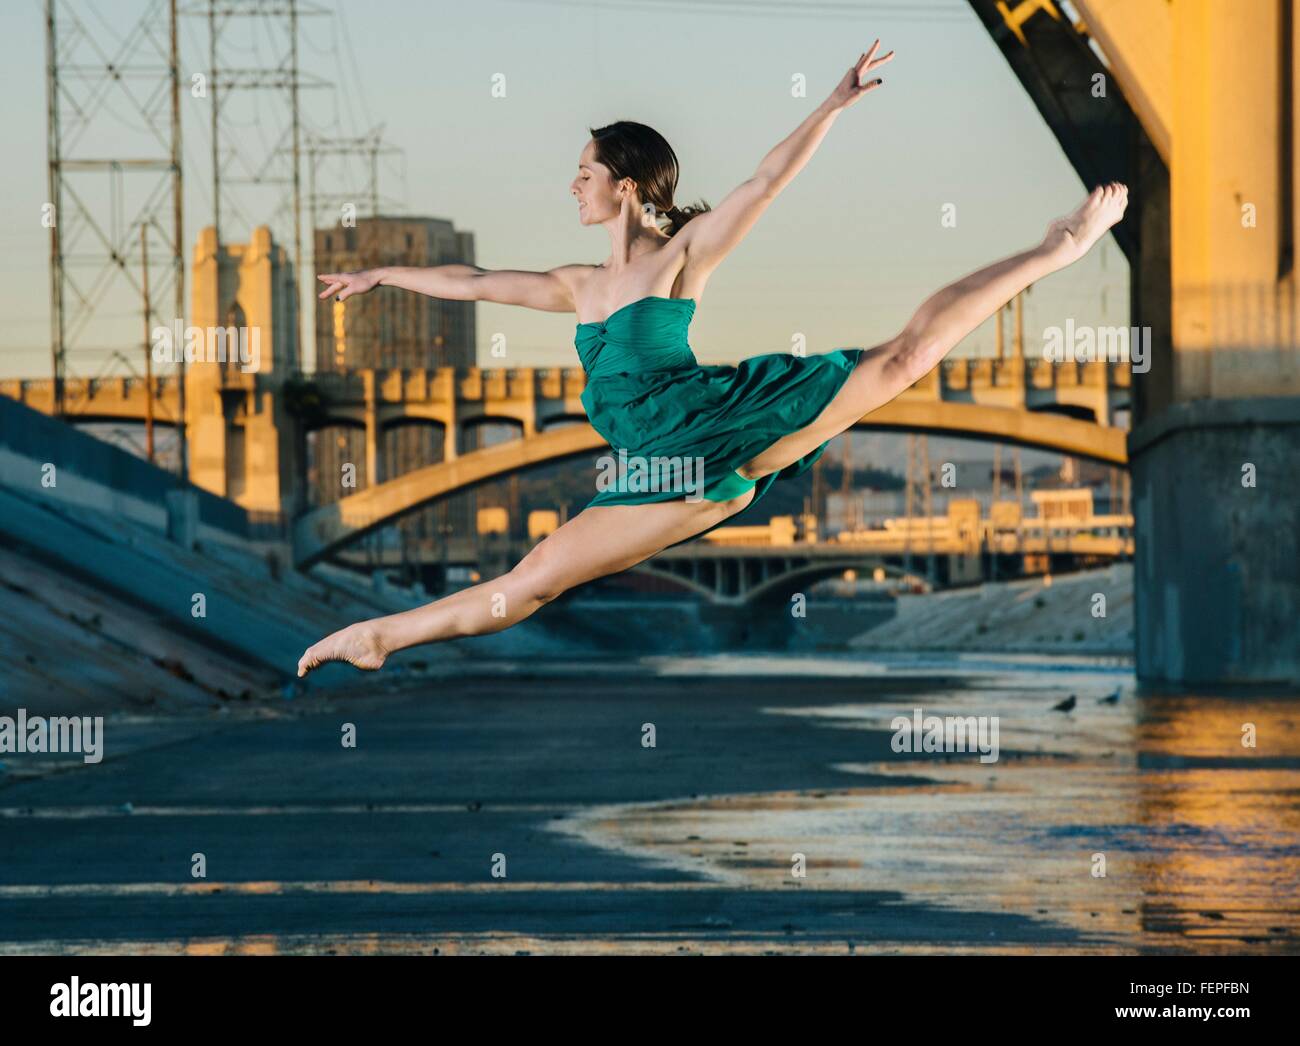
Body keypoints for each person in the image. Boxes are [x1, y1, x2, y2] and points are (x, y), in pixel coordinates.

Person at [299, 41, 1127, 677]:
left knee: (903, 358)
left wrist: (832, 104)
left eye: (583, 172)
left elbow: (764, 183)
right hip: (658, 469)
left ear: (624, 182)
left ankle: (1052, 252)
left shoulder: (680, 256)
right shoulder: (576, 286)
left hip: (716, 422)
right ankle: (379, 637)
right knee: (539, 575)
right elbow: (472, 281)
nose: (572, 185)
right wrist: (380, 274)